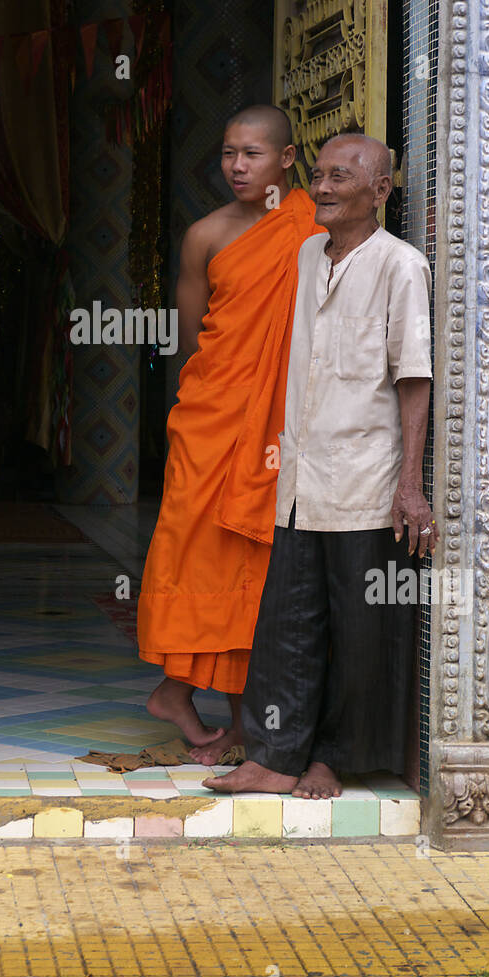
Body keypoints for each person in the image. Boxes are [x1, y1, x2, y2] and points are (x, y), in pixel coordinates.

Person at [206, 132, 436, 798]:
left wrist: (411, 486)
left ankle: (333, 758)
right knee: (288, 625)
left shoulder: (401, 266)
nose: (325, 189)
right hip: (302, 481)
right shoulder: (308, 254)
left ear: (380, 190)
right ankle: (274, 756)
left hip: (368, 480)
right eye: (319, 176)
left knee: (362, 633)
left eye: (341, 177)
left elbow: (413, 377)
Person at [137, 105, 323, 763]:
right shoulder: (205, 237)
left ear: (288, 159)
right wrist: (211, 416)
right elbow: (192, 347)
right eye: (227, 154)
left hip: (284, 428)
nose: (237, 167)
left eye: (251, 154)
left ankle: (241, 721)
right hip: (212, 425)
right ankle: (183, 692)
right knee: (197, 554)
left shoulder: (313, 231)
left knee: (261, 570)